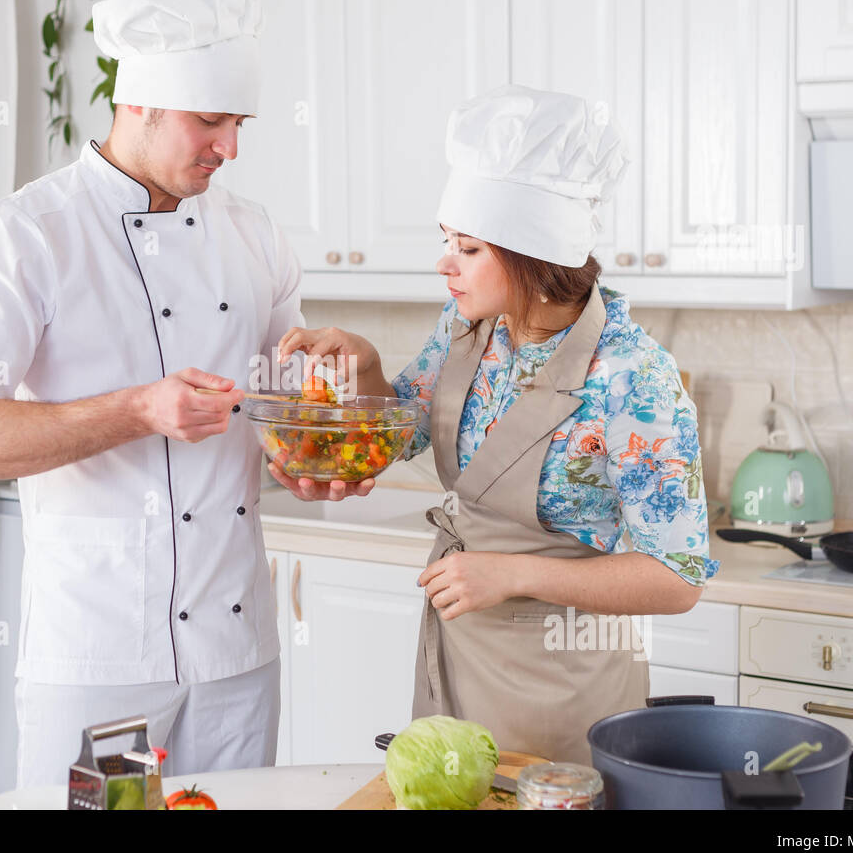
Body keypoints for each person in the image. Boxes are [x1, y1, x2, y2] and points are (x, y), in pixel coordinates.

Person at [0, 0, 366, 787]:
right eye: (211, 120)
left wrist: (315, 459)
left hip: (236, 657)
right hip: (101, 662)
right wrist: (136, 409)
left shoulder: (256, 235)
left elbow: (281, 412)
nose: (230, 147)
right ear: (141, 102)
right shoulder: (30, 234)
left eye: (240, 122)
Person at [275, 85, 720, 764]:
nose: (443, 262)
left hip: (563, 683)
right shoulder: (470, 328)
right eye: (446, 241)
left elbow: (677, 577)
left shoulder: (634, 375)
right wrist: (365, 370)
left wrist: (509, 574)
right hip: (456, 655)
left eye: (470, 248)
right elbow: (405, 434)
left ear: (533, 256)